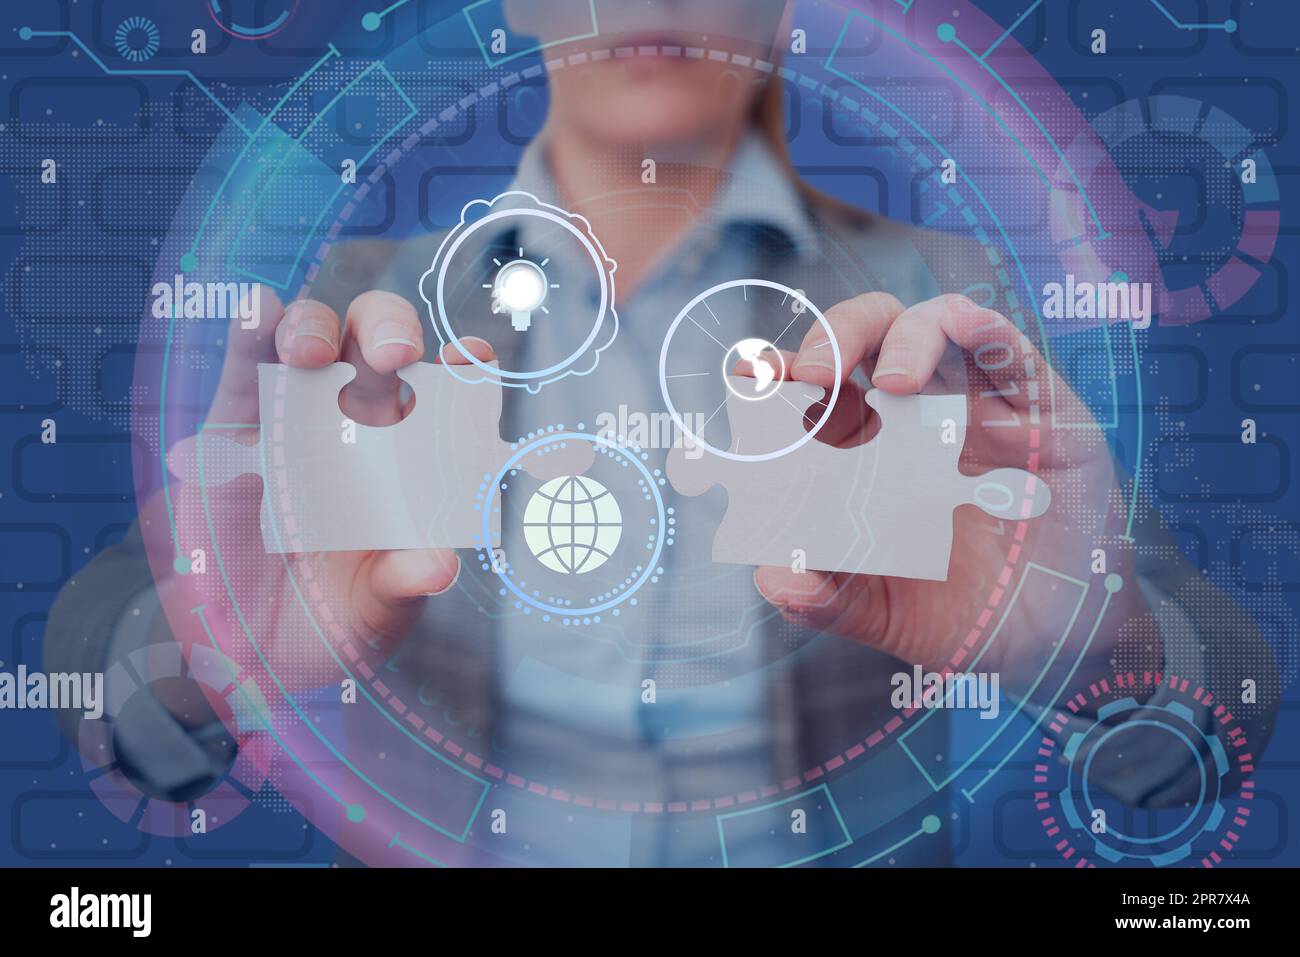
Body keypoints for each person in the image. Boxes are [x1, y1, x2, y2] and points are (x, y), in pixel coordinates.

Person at [47, 1, 1276, 866]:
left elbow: (1225, 702)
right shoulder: (347, 311)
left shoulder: (949, 307)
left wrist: (1091, 636)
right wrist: (211, 654)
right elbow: (98, 665)